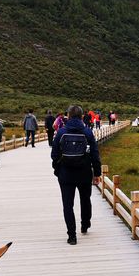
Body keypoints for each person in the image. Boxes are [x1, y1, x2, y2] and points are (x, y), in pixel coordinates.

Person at [51, 105, 101, 245]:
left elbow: (54, 155)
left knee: (68, 204)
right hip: (84, 172)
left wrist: (57, 169)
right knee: (85, 199)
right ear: (81, 116)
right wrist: (96, 173)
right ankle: (85, 224)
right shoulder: (87, 132)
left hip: (66, 174)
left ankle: (72, 236)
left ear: (68, 115)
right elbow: (94, 154)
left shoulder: (61, 132)